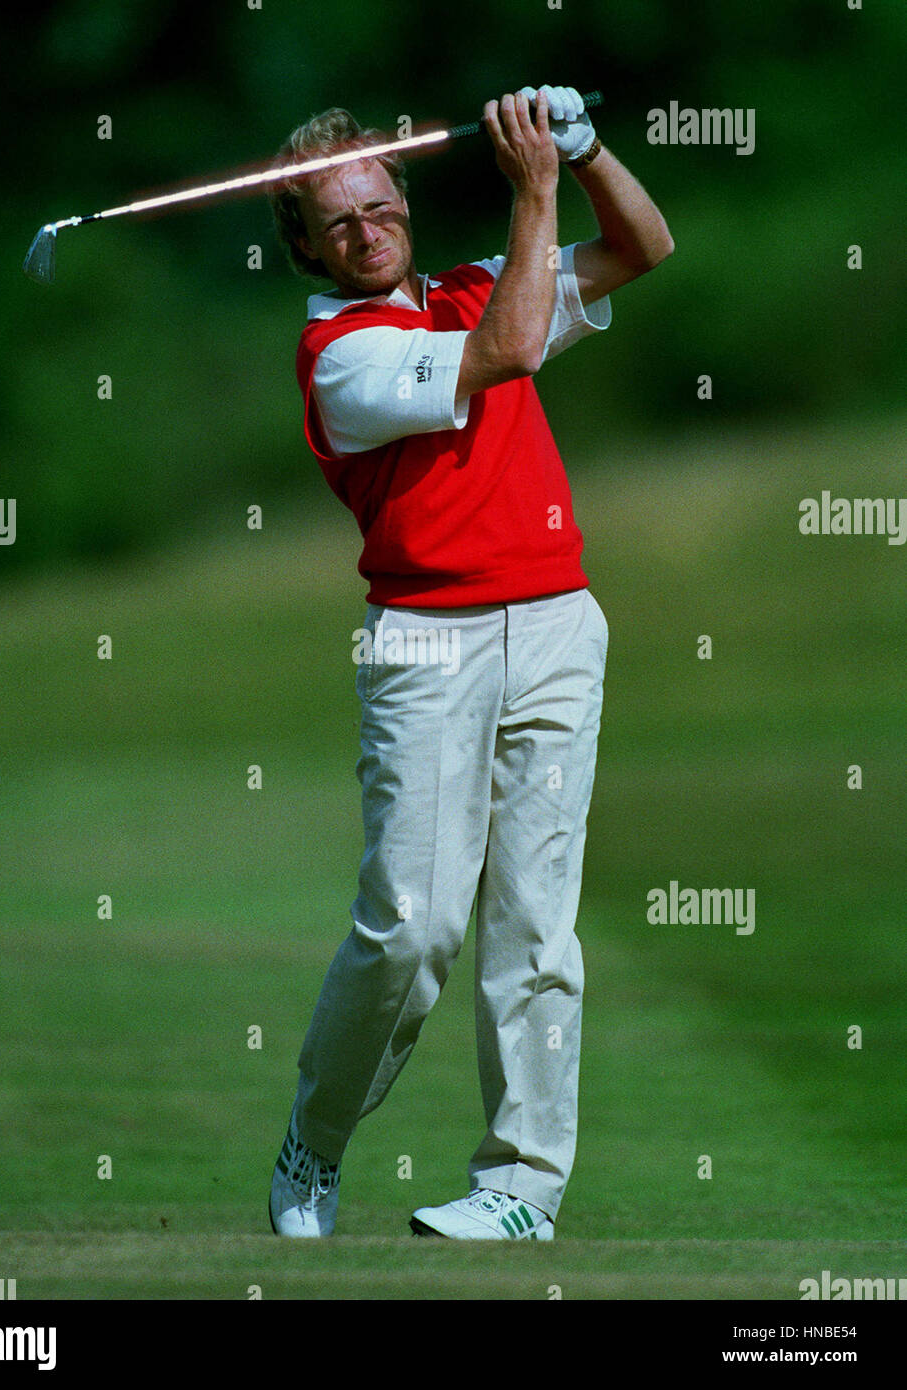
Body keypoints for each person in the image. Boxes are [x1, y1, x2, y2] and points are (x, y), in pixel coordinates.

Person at [266, 85, 673, 1239]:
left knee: (536, 927)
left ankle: (522, 1189)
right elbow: (499, 355)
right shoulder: (338, 356)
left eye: (376, 200)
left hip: (555, 625)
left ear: (401, 192)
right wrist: (535, 186)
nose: (366, 227)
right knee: (414, 926)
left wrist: (585, 150)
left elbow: (644, 245)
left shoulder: (480, 282)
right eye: (337, 219)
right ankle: (318, 1138)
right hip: (426, 644)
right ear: (304, 241)